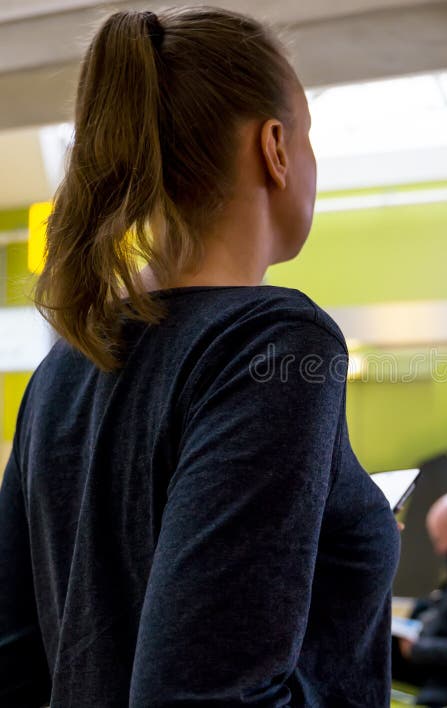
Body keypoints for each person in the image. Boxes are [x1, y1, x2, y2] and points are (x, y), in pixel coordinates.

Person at [0, 8, 400, 707]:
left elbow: (15, 660)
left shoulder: (63, 370)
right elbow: (202, 694)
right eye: (308, 137)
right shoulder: (269, 342)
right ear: (275, 148)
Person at [393, 493, 447, 707]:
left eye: (439, 539)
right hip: (430, 663)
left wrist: (417, 649)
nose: (439, 550)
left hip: (446, 681)